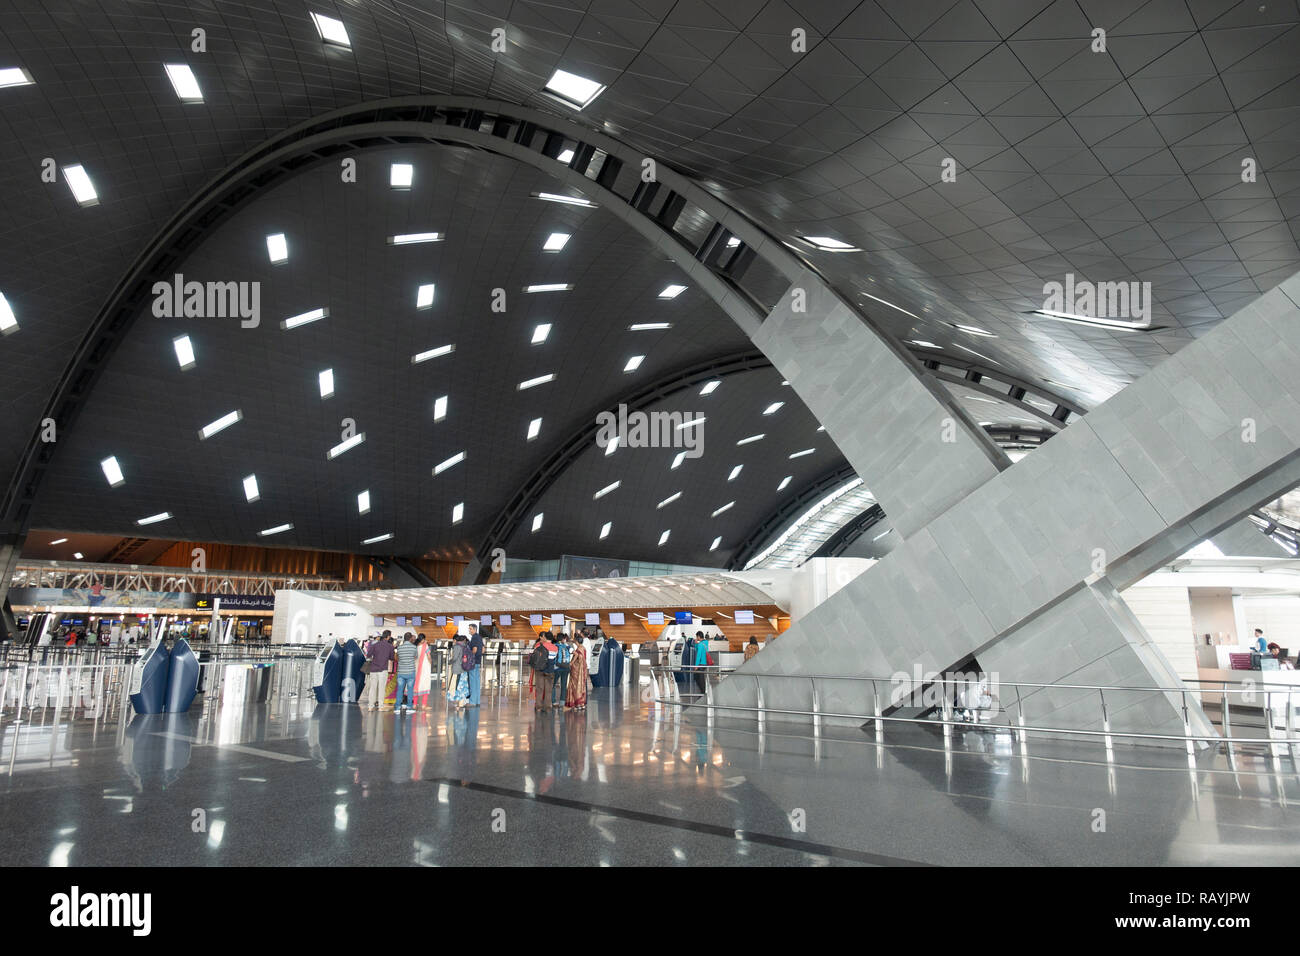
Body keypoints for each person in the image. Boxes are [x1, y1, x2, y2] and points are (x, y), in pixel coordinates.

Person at [363, 631, 395, 711]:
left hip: (374, 669)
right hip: (383, 669)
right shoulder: (390, 646)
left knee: (373, 688)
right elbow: (392, 658)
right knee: (381, 688)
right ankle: (380, 706)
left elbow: (368, 655)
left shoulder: (374, 644)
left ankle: (370, 706)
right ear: (388, 637)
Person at [531, 631, 558, 711]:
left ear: (545, 637)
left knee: (539, 689)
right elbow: (553, 658)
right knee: (548, 690)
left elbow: (535, 656)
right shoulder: (555, 648)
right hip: (550, 670)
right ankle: (548, 707)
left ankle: (538, 707)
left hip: (539, 669)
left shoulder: (538, 645)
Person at [393, 632, 418, 714]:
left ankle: (397, 707)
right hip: (410, 672)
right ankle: (409, 707)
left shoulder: (399, 648)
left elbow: (397, 657)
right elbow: (415, 657)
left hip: (401, 672)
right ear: (411, 638)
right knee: (410, 690)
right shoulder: (414, 647)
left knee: (400, 690)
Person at [447, 632, 470, 709]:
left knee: (455, 686)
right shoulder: (466, 646)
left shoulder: (457, 647)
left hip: (457, 669)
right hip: (464, 669)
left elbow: (455, 658)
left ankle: (457, 702)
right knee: (462, 686)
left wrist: (449, 661)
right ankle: (461, 703)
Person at [566, 633, 588, 711]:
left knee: (575, 686)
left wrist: (571, 663)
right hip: (583, 669)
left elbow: (577, 656)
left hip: (577, 670)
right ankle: (582, 703)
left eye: (575, 641)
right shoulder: (583, 648)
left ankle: (577, 703)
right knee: (581, 686)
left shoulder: (578, 649)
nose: (574, 642)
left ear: (577, 641)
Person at [466, 624, 485, 707]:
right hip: (478, 661)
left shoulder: (474, 638)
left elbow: (474, 649)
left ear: (474, 629)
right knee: (477, 682)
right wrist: (478, 655)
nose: (469, 630)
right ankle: (477, 701)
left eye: (470, 629)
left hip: (473, 662)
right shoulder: (479, 637)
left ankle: (472, 702)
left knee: (472, 682)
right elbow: (483, 649)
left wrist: (469, 656)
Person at [552, 633, 572, 710]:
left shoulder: (555, 646)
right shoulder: (567, 646)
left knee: (553, 685)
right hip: (566, 668)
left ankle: (553, 701)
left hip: (557, 668)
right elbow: (572, 652)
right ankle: (562, 703)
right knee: (563, 685)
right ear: (563, 639)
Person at [412, 634, 432, 709]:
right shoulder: (425, 646)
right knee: (425, 684)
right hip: (425, 667)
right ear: (423, 639)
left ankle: (414, 704)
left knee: (416, 685)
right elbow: (429, 656)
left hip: (416, 667)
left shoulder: (415, 647)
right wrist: (431, 663)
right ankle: (424, 705)